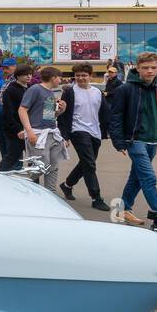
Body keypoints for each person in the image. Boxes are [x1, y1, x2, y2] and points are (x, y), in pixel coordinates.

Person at [108, 51, 157, 226]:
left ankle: (123, 209)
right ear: (137, 68)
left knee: (137, 176)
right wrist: (118, 142)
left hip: (152, 140)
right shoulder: (125, 89)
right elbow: (115, 117)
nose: (150, 71)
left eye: (153, 68)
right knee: (148, 178)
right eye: (145, 68)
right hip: (135, 141)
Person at [57, 63, 110, 211]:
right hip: (77, 130)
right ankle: (96, 197)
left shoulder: (97, 92)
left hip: (95, 132)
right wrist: (65, 136)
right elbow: (63, 115)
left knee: (87, 162)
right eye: (78, 75)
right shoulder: (69, 92)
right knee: (90, 164)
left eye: (84, 75)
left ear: (90, 76)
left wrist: (110, 130)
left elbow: (105, 113)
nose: (80, 78)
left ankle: (67, 185)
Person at [18, 66, 69, 190]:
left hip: (51, 133)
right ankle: (21, 187)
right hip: (38, 134)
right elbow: (22, 109)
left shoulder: (51, 92)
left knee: (53, 166)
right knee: (41, 165)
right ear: (53, 78)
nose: (60, 80)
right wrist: (29, 132)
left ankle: (50, 194)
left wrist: (62, 110)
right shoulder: (35, 89)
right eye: (59, 77)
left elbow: (48, 116)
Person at [0, 58, 18, 165]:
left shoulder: (16, 80)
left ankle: (13, 164)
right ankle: (5, 160)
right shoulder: (6, 79)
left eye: (7, 67)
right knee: (0, 138)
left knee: (9, 139)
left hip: (9, 113)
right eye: (3, 68)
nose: (4, 70)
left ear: (14, 67)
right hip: (0, 111)